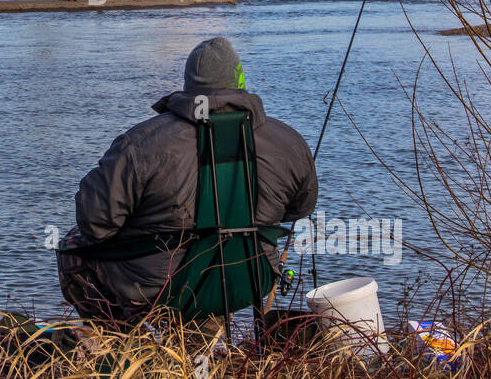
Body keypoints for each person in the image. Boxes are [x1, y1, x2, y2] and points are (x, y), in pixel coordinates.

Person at [57, 37, 317, 323]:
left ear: (188, 84)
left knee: (72, 247)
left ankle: (122, 347)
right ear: (240, 79)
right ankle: (199, 343)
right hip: (251, 277)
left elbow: (95, 224)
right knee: (217, 252)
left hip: (162, 287)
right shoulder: (290, 142)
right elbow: (300, 209)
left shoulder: (141, 143)